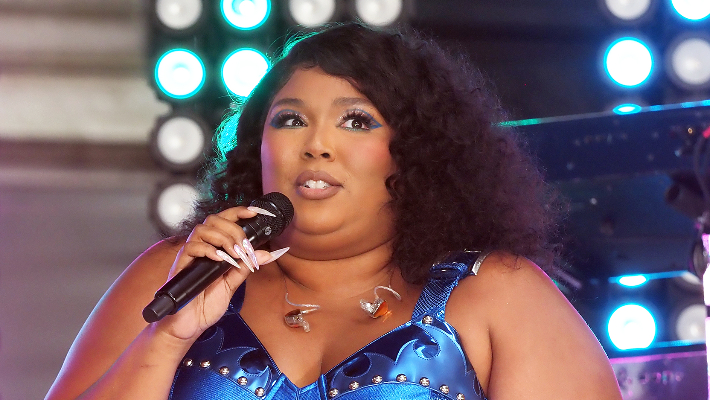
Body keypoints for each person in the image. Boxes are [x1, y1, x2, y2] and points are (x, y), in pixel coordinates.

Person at [45, 23, 622, 400]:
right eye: (291, 119)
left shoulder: (496, 294)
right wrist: (169, 337)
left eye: (357, 121)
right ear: (259, 148)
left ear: (416, 152)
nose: (316, 144)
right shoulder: (175, 275)